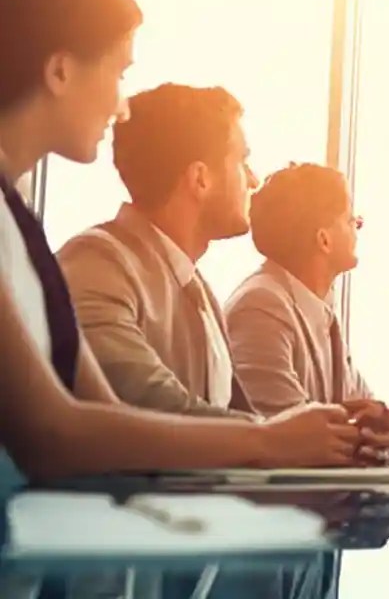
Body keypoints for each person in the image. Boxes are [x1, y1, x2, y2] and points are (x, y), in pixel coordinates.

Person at [0, 0, 359, 481]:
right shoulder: (93, 259)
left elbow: (104, 420)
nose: (122, 107)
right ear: (59, 69)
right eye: (119, 72)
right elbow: (54, 434)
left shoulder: (19, 222)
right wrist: (268, 439)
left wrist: (327, 432)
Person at [224, 162, 389, 450]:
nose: (357, 228)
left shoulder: (319, 313)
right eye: (349, 220)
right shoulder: (260, 308)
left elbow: (372, 421)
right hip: (275, 495)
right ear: (324, 240)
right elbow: (295, 438)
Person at [56, 83, 260, 417]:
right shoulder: (97, 264)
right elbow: (151, 410)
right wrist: (282, 436)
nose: (253, 179)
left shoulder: (200, 291)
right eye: (243, 161)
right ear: (200, 179)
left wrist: (341, 432)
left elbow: (242, 424)